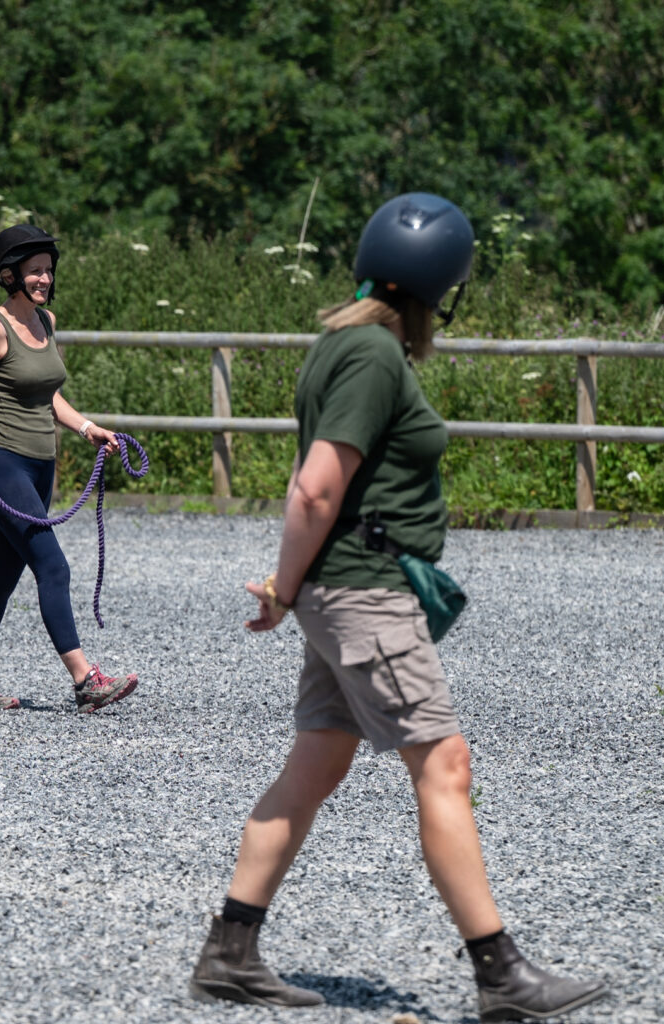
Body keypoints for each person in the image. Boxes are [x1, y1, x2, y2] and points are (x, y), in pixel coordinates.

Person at [188, 194, 607, 1021]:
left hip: (342, 588)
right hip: (364, 593)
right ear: (438, 286)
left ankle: (229, 952)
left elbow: (313, 478)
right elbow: (316, 488)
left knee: (317, 763)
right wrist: (283, 590)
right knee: (445, 765)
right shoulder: (375, 355)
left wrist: (294, 588)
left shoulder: (339, 345)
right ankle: (501, 975)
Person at [0, 224, 139, 713]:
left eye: (48, 271)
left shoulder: (46, 323)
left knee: (1, 576)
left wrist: (87, 427)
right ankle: (85, 680)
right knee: (53, 566)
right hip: (1, 465)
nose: (44, 279)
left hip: (40, 468)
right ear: (10, 274)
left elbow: (48, 394)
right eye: (35, 271)